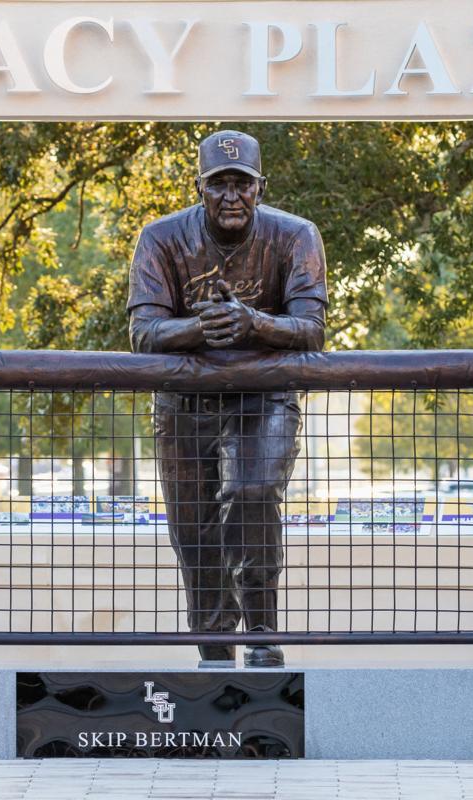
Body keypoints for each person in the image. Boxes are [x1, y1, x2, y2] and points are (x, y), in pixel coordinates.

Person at [126, 130, 328, 667]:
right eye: (219, 185)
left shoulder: (296, 236)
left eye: (243, 184)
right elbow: (143, 332)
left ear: (261, 188)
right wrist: (201, 327)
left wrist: (253, 321)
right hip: (184, 402)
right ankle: (215, 652)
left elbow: (312, 329)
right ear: (200, 188)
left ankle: (262, 635)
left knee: (254, 492)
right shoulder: (161, 239)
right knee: (193, 529)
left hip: (261, 395)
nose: (231, 196)